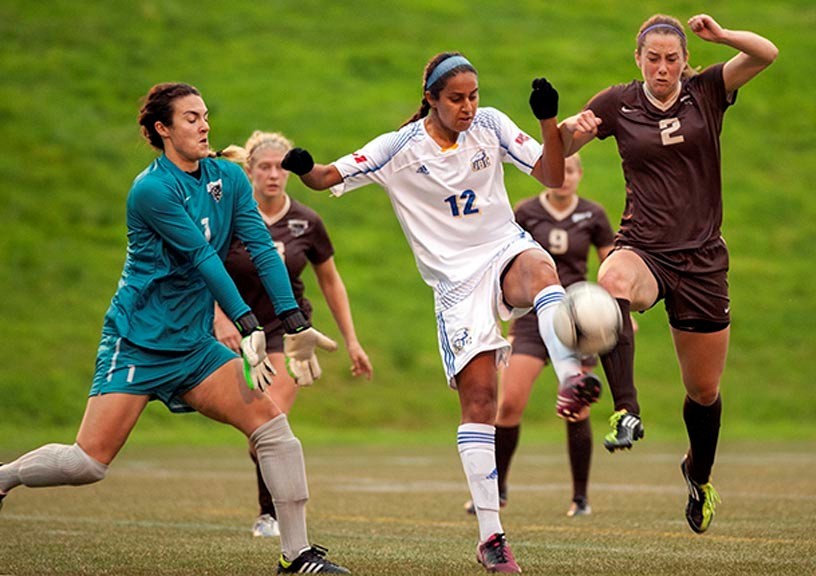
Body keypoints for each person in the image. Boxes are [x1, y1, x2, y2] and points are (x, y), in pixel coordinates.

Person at [0, 83, 349, 574]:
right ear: (162, 129)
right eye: (190, 118)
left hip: (193, 347)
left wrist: (293, 321)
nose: (204, 125)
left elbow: (259, 247)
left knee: (274, 431)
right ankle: (5, 477)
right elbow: (201, 256)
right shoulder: (151, 189)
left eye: (205, 115)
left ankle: (297, 556)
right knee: (88, 464)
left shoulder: (228, 176)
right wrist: (247, 323)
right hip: (138, 340)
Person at [279, 52, 597, 573]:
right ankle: (491, 537)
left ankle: (569, 376)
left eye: (473, 95)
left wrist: (546, 119)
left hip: (503, 251)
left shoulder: (490, 124)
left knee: (542, 269)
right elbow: (326, 177)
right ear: (430, 97)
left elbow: (551, 173)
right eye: (456, 98)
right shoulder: (398, 148)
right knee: (480, 403)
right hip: (456, 285)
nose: (469, 107)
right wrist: (302, 166)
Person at [559, 14, 778, 533]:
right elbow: (560, 150)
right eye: (652, 58)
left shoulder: (707, 90)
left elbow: (766, 53)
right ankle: (626, 409)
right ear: (638, 59)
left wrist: (723, 37)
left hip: (703, 260)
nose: (662, 68)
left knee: (703, 391)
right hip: (644, 249)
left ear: (685, 61)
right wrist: (570, 131)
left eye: (672, 58)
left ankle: (698, 476)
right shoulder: (617, 102)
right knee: (610, 282)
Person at [213, 130, 373, 538]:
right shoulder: (230, 218)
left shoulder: (307, 221)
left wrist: (352, 340)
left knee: (271, 421)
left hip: (288, 331)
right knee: (255, 429)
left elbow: (332, 283)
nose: (273, 175)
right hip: (240, 331)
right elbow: (203, 267)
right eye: (263, 167)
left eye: (280, 167)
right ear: (248, 171)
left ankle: (270, 514)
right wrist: (219, 317)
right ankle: (273, 508)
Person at [464, 153, 620, 518]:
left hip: (580, 322)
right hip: (533, 319)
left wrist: (612, 311)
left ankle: (580, 498)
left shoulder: (593, 215)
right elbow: (502, 260)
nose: (564, 177)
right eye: (558, 170)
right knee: (509, 404)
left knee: (576, 407)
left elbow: (610, 263)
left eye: (571, 170)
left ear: (580, 174)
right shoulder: (526, 212)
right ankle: (496, 489)